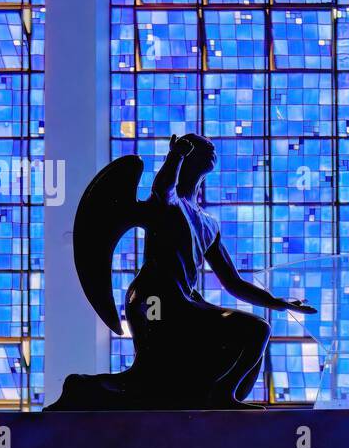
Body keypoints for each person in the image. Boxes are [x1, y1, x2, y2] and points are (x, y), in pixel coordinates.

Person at [51, 133, 316, 409]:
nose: (210, 147)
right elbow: (164, 188)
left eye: (210, 147)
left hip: (184, 301)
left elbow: (233, 282)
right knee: (249, 332)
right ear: (186, 157)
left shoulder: (208, 223)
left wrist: (276, 302)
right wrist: (175, 155)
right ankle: (220, 396)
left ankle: (223, 396)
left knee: (254, 332)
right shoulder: (166, 202)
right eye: (199, 146)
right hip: (153, 301)